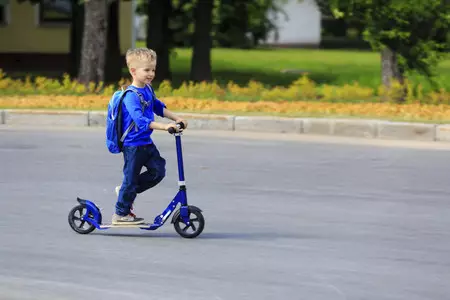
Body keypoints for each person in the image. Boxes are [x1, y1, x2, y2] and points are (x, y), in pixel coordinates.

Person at [112, 47, 187, 225]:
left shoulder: (148, 90)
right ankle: (120, 214)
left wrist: (177, 118)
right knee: (130, 179)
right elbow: (140, 120)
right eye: (146, 70)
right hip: (133, 146)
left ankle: (125, 192)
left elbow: (158, 107)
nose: (151, 73)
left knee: (158, 171)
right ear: (133, 71)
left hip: (146, 143)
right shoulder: (130, 96)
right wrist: (165, 127)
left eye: (153, 69)